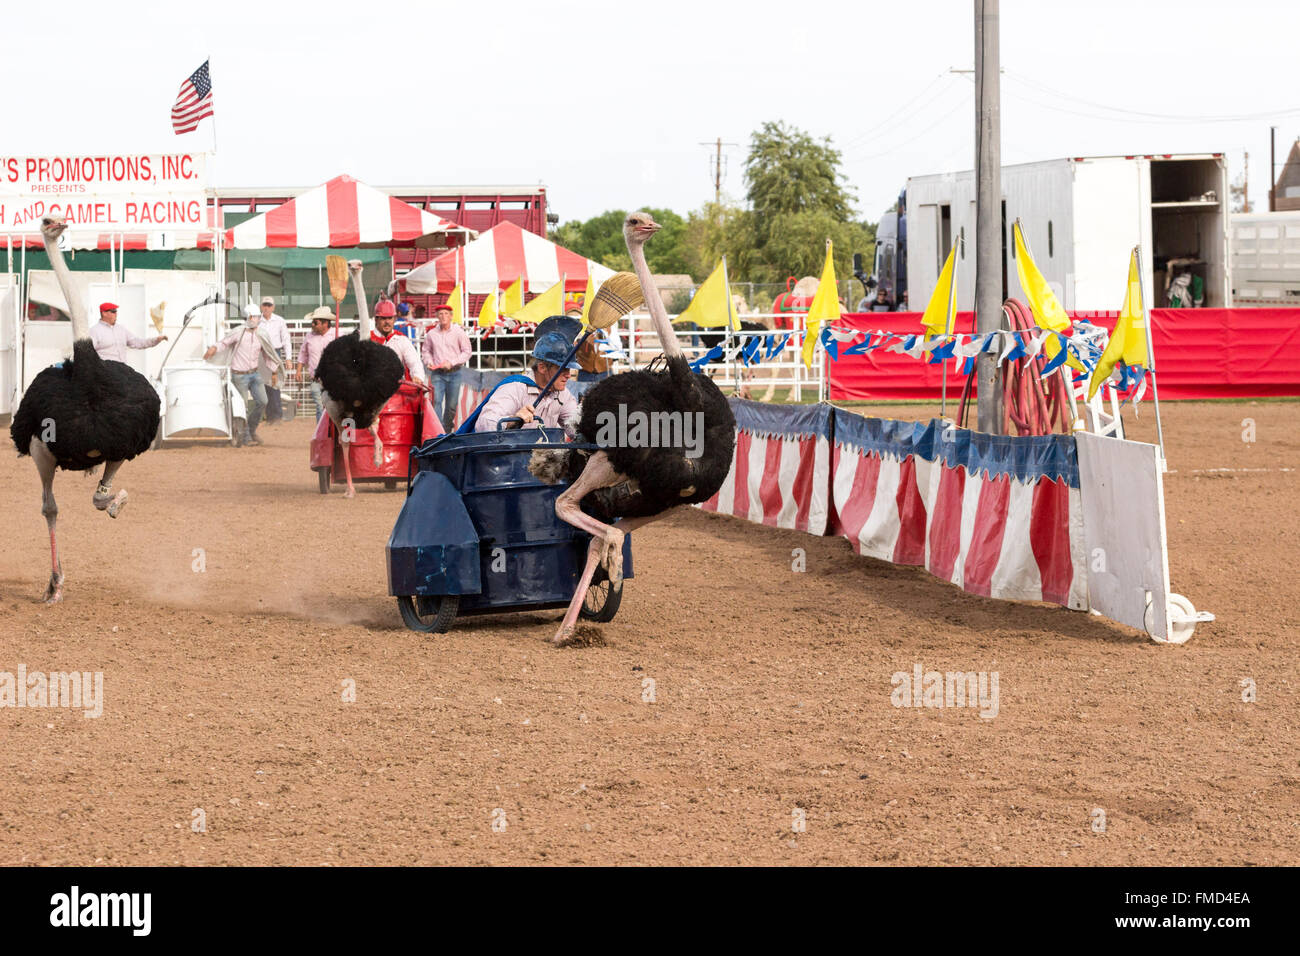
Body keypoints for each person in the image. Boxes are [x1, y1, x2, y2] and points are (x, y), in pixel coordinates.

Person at [203, 304, 285, 446]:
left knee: (263, 401)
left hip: (255, 373)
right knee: (243, 407)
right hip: (239, 375)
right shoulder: (238, 332)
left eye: (258, 317)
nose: (257, 319)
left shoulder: (262, 334)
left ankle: (251, 430)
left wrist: (274, 371)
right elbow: (224, 343)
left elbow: (267, 354)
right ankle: (245, 436)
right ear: (248, 317)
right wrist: (214, 348)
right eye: (255, 316)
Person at [474, 331, 579, 436]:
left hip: (545, 452)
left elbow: (576, 429)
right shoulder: (515, 388)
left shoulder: (563, 394)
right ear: (542, 367)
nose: (568, 375)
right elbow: (484, 425)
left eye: (569, 369)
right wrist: (513, 421)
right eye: (562, 369)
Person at [420, 304, 472, 429]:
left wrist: (452, 362)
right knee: (437, 401)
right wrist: (429, 361)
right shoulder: (432, 334)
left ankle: (447, 427)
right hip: (438, 373)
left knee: (451, 405)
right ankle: (438, 430)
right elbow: (426, 350)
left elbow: (467, 351)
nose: (443, 316)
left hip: (455, 372)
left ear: (451, 316)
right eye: (441, 314)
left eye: (446, 314)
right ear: (437, 316)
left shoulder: (459, 332)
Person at [296, 306, 338, 422]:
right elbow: (303, 354)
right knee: (320, 406)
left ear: (325, 323)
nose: (312, 325)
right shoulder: (309, 336)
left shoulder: (337, 334)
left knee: (332, 407)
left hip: (333, 379)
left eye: (315, 322)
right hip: (316, 379)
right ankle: (322, 434)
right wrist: (298, 370)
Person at [88, 301, 168, 362]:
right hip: (105, 373)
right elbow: (88, 353)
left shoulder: (121, 329)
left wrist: (156, 339)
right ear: (104, 313)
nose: (116, 313)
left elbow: (138, 342)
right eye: (113, 311)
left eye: (116, 311)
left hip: (122, 371)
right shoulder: (94, 331)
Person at [371, 299, 426, 386]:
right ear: (376, 319)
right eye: (383, 318)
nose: (387, 322)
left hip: (396, 388)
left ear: (395, 319)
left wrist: (417, 376)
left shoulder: (402, 340)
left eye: (390, 318)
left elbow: (414, 362)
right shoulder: (366, 339)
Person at [257, 296, 292, 424]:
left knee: (274, 384)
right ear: (261, 306)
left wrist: (288, 358)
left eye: (269, 305)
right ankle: (268, 415)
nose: (266, 307)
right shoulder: (256, 321)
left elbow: (286, 340)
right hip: (260, 353)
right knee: (262, 384)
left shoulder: (279, 321)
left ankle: (275, 415)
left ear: (273, 307)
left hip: (274, 353)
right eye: (264, 305)